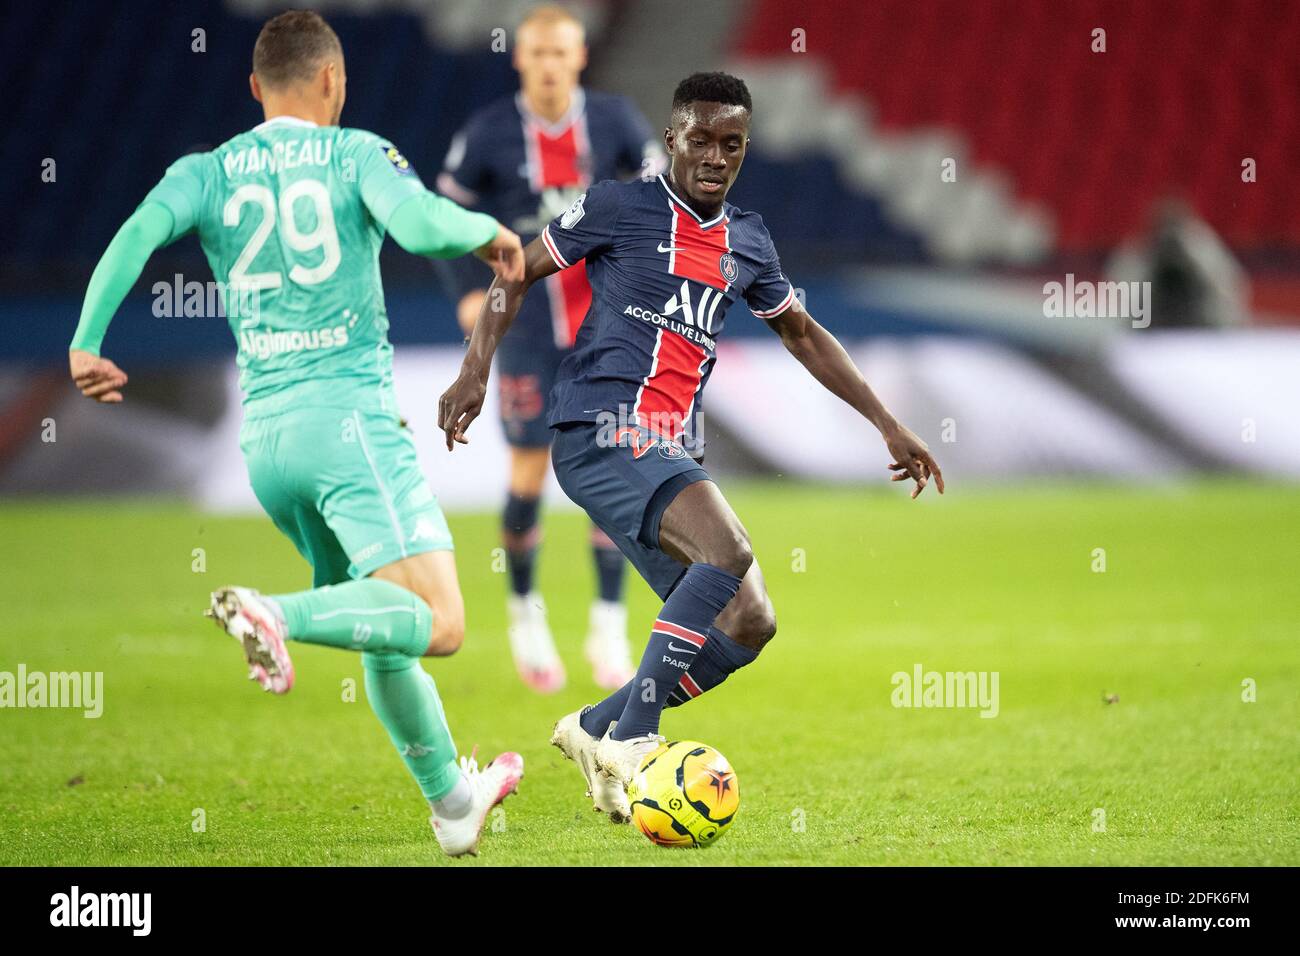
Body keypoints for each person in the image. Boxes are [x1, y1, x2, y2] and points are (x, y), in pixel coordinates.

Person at [68, 10, 525, 857]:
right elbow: (423, 223)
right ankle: (269, 612)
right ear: (332, 81)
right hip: (349, 425)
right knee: (441, 620)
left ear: (254, 87)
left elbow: (136, 234)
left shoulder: (205, 170)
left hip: (268, 444)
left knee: (381, 621)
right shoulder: (357, 153)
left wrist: (87, 339)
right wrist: (491, 234)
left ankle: (454, 804)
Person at [438, 72, 944, 822]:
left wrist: (886, 421)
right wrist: (475, 368)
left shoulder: (748, 238)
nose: (715, 156)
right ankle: (637, 738)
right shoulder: (619, 205)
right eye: (701, 139)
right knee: (727, 552)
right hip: (601, 425)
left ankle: (595, 727)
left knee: (748, 620)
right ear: (672, 139)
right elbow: (517, 268)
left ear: (744, 150)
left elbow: (800, 333)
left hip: (667, 445)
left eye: (731, 145)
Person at [437, 4, 666, 693]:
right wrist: (465, 292)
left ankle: (606, 626)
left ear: (580, 58)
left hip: (605, 330)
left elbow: (662, 195)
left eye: (560, 53)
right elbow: (441, 216)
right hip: (530, 330)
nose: (548, 65)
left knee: (613, 476)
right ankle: (525, 612)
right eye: (537, 53)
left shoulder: (617, 120)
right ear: (520, 59)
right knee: (531, 469)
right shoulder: (488, 134)